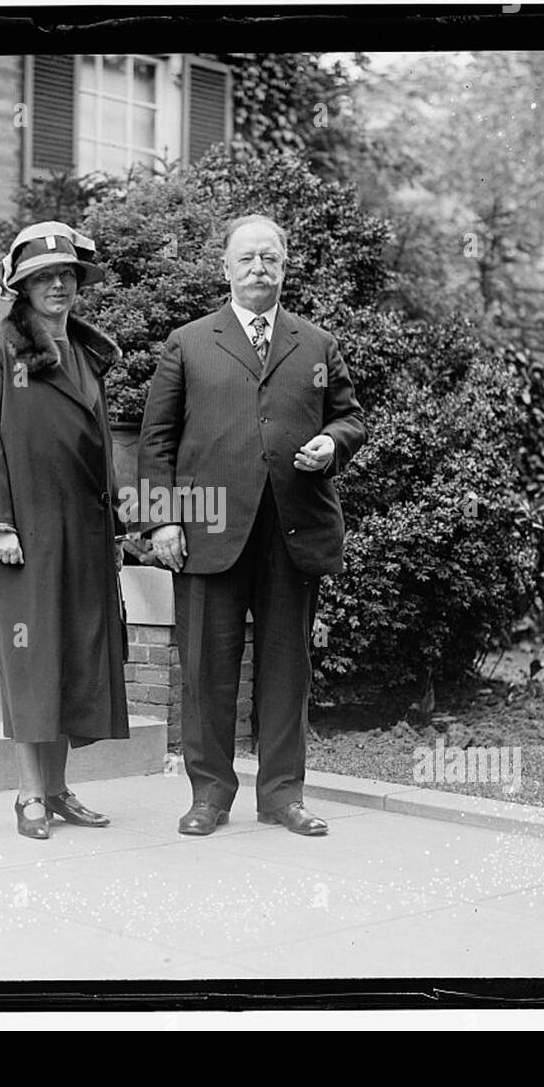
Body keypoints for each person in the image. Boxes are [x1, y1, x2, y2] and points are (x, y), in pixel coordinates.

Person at [138, 214, 366, 837]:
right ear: (226, 269)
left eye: (270, 258)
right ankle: (209, 795)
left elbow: (350, 420)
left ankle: (282, 796)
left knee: (287, 667)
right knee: (206, 667)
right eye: (247, 259)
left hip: (292, 529)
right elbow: (155, 442)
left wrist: (330, 442)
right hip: (208, 524)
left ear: (285, 266)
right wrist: (162, 524)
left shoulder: (316, 345)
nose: (258, 269)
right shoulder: (187, 343)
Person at [0, 221, 129, 840]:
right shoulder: (1, 352)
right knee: (31, 660)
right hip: (24, 535)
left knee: (73, 657)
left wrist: (115, 522)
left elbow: (102, 449)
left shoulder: (88, 357)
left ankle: (58, 791)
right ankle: (28, 795)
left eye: (66, 275)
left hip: (84, 534)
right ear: (23, 288)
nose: (57, 285)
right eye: (43, 277)